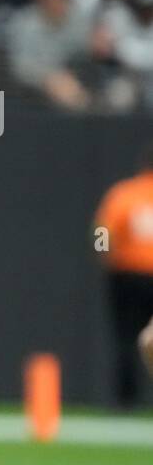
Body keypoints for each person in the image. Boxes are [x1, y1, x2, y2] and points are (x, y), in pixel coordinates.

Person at [94, 144, 153, 406]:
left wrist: (106, 255)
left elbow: (101, 232)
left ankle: (126, 400)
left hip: (127, 276)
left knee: (126, 339)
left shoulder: (124, 194)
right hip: (137, 275)